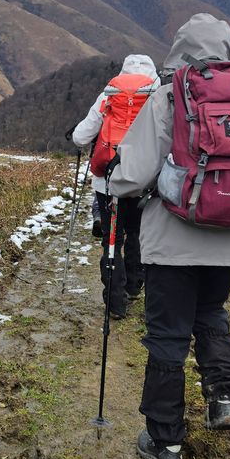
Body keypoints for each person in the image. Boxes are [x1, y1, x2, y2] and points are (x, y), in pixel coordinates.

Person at [108, 14, 230, 459]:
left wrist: (116, 181)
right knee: (210, 312)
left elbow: (133, 175)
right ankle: (225, 396)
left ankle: (165, 442)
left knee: (167, 334)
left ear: (178, 49)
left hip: (174, 240)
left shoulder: (169, 94)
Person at [71, 53, 158, 319]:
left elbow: (80, 137)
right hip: (145, 180)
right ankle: (135, 285)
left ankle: (115, 302)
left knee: (113, 241)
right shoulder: (160, 95)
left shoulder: (108, 95)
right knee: (138, 234)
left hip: (109, 181)